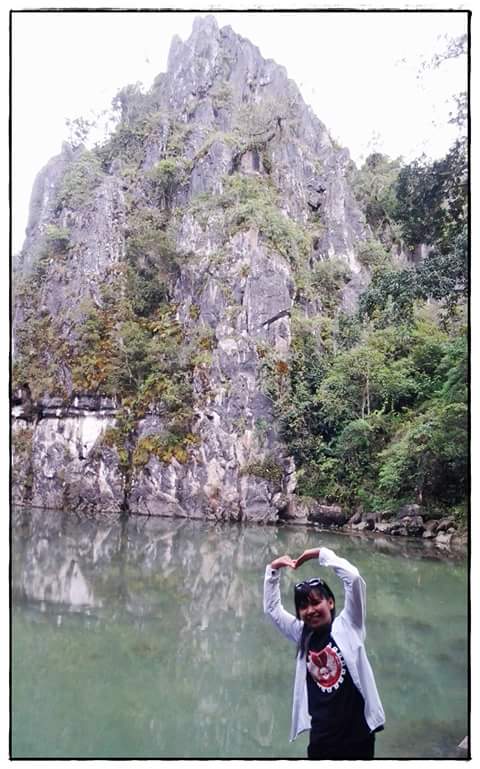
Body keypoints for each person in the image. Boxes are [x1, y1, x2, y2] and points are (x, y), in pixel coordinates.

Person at [263, 546, 385, 759]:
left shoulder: (350, 624)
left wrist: (320, 554)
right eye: (303, 606)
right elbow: (272, 610)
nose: (310, 610)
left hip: (358, 734)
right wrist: (273, 570)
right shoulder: (302, 634)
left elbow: (354, 579)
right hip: (322, 737)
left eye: (316, 602)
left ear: (330, 602)